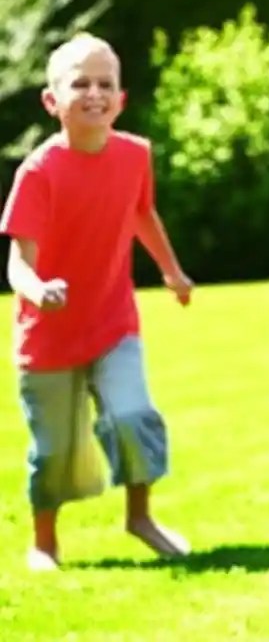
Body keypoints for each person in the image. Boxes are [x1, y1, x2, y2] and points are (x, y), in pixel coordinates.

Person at [0, 33, 196, 571]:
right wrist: (39, 290)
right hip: (49, 337)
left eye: (105, 83)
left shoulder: (134, 155)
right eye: (80, 83)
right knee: (55, 454)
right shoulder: (38, 173)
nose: (94, 93)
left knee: (133, 416)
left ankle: (141, 517)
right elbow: (17, 262)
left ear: (121, 98)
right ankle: (44, 542)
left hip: (114, 323)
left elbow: (141, 213)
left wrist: (172, 271)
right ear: (51, 100)